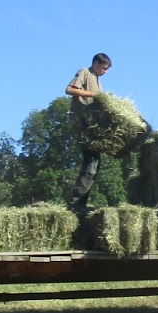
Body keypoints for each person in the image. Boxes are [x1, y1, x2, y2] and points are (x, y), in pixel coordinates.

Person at [66, 52, 111, 210]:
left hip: (90, 124)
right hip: (81, 123)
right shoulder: (84, 72)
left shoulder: (98, 82)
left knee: (94, 163)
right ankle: (75, 205)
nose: (105, 71)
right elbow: (70, 90)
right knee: (91, 163)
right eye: (104, 68)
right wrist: (92, 94)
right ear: (96, 63)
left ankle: (79, 203)